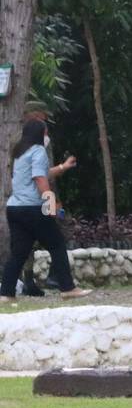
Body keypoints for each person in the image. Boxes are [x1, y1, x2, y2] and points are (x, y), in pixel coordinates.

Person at [1, 117, 91, 302]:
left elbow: (42, 172)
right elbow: (40, 180)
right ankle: (68, 288)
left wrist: (62, 167)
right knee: (57, 245)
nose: (47, 135)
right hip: (32, 208)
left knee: (19, 252)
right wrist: (51, 204)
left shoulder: (19, 152)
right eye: (46, 132)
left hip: (15, 209)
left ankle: (6, 293)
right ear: (41, 134)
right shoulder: (39, 150)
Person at [17, 100, 76, 297]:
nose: (44, 124)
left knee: (34, 239)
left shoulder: (36, 140)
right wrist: (52, 200)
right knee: (55, 234)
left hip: (31, 199)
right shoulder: (25, 141)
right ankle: (47, 279)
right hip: (33, 199)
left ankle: (33, 279)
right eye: (41, 119)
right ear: (30, 117)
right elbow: (40, 176)